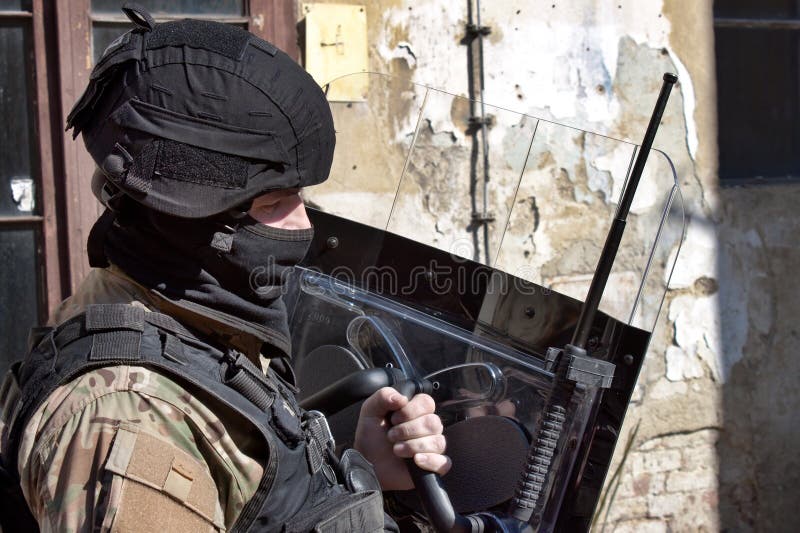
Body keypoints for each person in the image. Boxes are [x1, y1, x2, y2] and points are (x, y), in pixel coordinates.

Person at [0, 5, 449, 532]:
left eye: (298, 196)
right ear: (189, 224)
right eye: (270, 204)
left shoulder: (193, 316)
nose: (302, 225)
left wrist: (365, 473)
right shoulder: (127, 423)